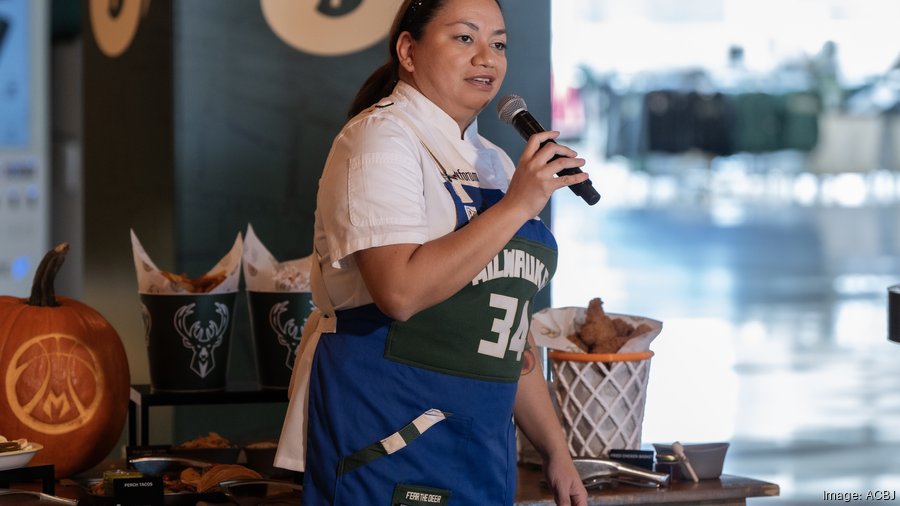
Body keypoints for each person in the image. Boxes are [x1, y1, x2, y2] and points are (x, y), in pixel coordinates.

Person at [275, 0, 589, 504]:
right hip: (387, 428)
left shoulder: (499, 163)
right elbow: (399, 291)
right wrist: (516, 206)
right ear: (408, 50)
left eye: (499, 43)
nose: (486, 57)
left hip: (482, 443)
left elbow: (508, 332)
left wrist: (555, 450)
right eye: (465, 38)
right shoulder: (381, 138)